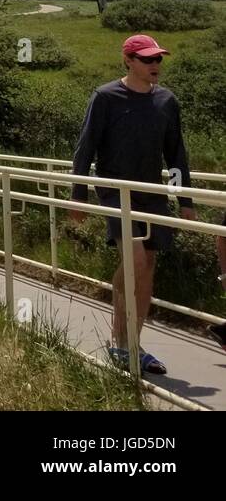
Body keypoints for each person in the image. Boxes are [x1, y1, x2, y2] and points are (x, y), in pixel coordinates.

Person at [69, 34, 194, 376]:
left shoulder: (167, 101)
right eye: (147, 59)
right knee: (135, 258)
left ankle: (131, 345)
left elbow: (176, 154)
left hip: (151, 190)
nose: (155, 65)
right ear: (128, 61)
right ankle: (120, 342)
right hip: (115, 189)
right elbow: (85, 148)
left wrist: (186, 199)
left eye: (158, 60)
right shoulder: (106, 96)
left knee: (148, 263)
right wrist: (77, 196)